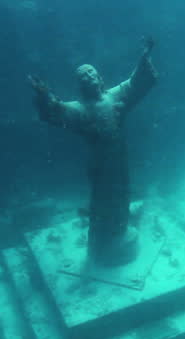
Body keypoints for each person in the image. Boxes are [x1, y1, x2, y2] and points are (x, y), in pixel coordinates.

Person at [28, 37, 158, 266]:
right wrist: (44, 96)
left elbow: (134, 83)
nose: (89, 77)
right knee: (103, 201)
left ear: (99, 78)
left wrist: (143, 60)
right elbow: (57, 110)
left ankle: (119, 233)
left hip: (120, 160)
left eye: (91, 73)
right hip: (101, 165)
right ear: (81, 86)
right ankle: (103, 241)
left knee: (122, 196)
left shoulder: (115, 96)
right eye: (84, 77)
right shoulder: (80, 109)